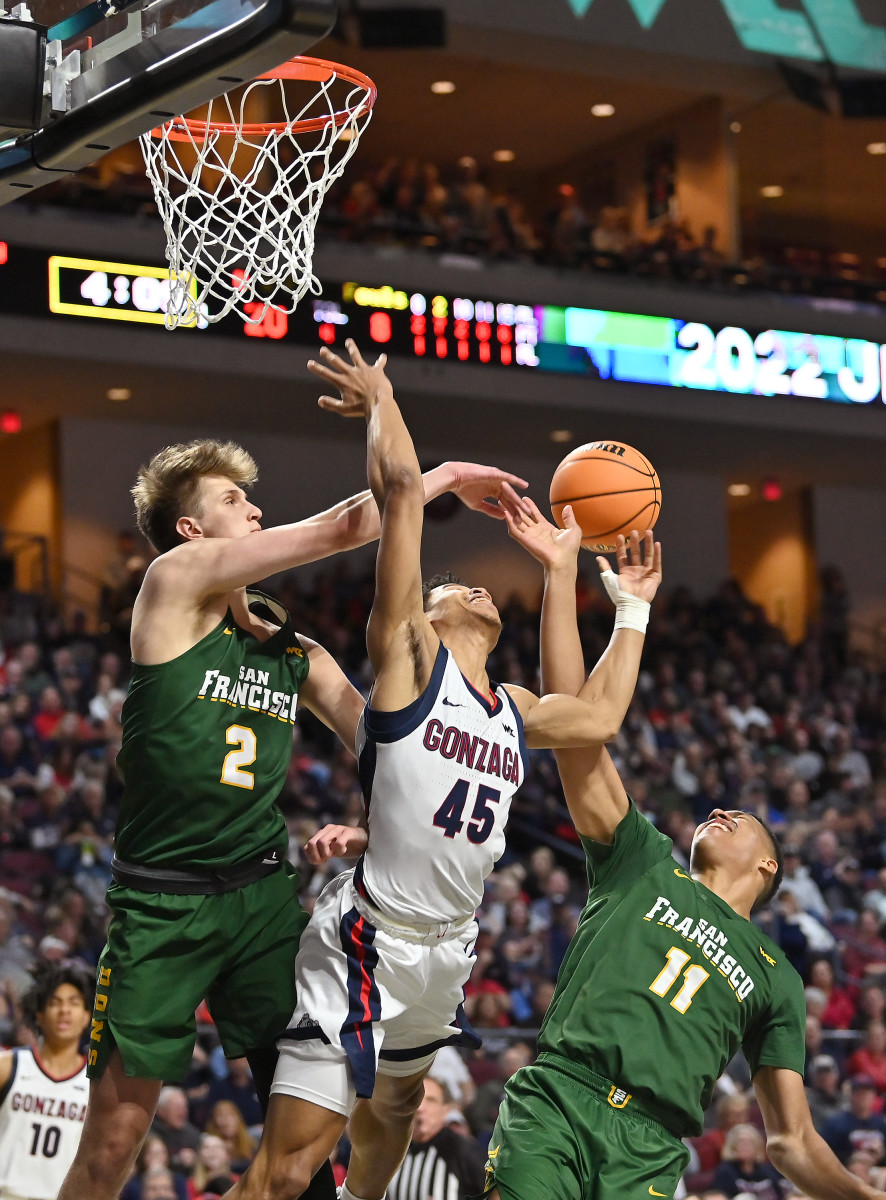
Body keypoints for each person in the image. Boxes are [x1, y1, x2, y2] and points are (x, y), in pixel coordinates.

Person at [224, 340, 661, 1200]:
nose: (473, 589)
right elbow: (400, 497)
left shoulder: (513, 708)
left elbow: (599, 716)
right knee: (287, 1169)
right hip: (370, 938)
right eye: (453, 588)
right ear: (422, 617)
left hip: (451, 946)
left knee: (394, 1111)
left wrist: (619, 602)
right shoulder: (409, 661)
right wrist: (385, 402)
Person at [57, 425, 526, 1200]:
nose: (254, 509)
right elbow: (339, 529)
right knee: (112, 1146)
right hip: (162, 900)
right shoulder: (172, 582)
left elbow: (389, 750)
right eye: (233, 500)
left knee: (303, 1129)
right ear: (191, 527)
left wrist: (390, 821)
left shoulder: (291, 648)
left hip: (261, 901)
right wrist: (441, 476)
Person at [480, 492, 886, 1200]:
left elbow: (791, 1141)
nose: (719, 811)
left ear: (769, 865)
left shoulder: (778, 978)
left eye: (743, 818)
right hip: (559, 1102)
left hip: (651, 1149)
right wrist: (573, 583)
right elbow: (575, 733)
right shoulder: (643, 861)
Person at [0, 962, 92, 1200]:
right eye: (54, 1003)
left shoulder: (94, 1084)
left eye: (74, 1003)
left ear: (86, 1016)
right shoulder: (9, 1065)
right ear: (39, 1016)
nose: (64, 1010)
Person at [387, 1076, 487, 1200]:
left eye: (431, 1100)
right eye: (414, 1099)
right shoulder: (391, 1154)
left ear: (446, 1110)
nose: (420, 1108)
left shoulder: (462, 1151)